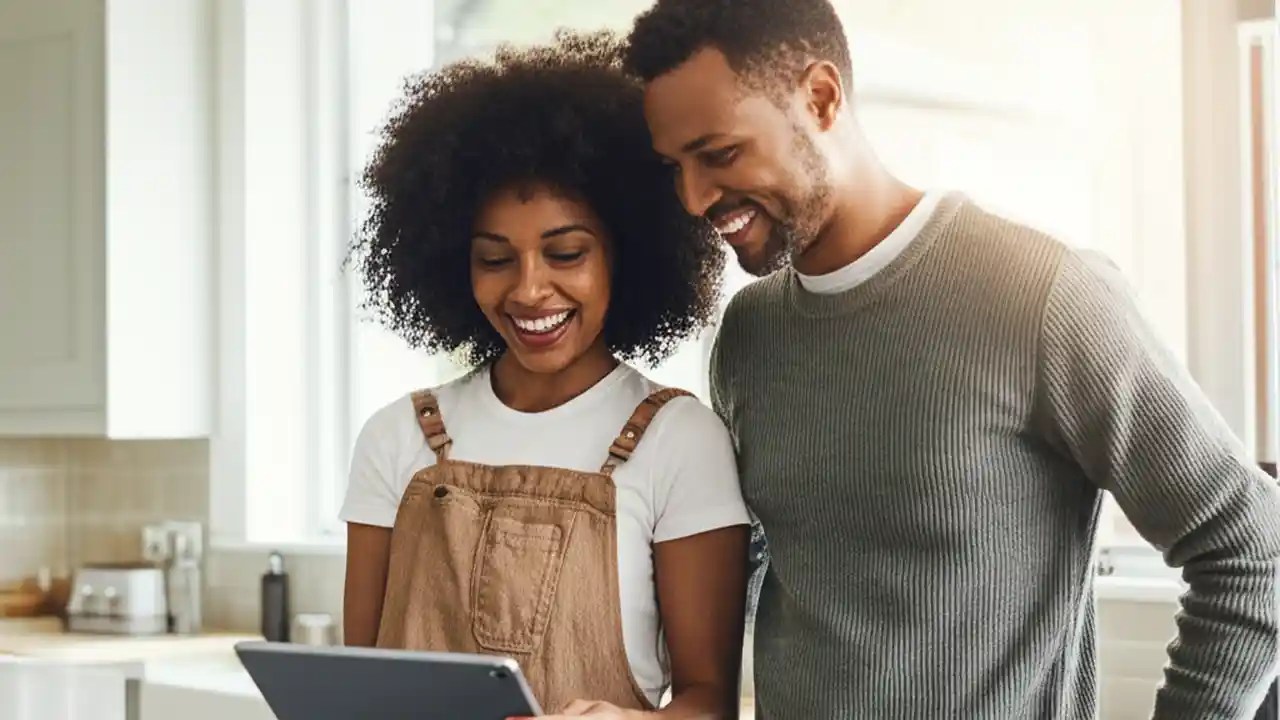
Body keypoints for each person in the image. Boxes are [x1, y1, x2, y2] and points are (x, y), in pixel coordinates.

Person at [625, 1, 1280, 718]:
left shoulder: (1041, 297)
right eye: (672, 168)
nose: (694, 198)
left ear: (820, 98)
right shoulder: (748, 336)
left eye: (719, 155)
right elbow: (765, 578)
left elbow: (1255, 554)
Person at [341, 31, 750, 719]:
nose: (530, 291)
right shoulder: (396, 440)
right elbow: (361, 691)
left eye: (565, 253)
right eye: (495, 259)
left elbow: (709, 702)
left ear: (625, 255)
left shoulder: (679, 441)